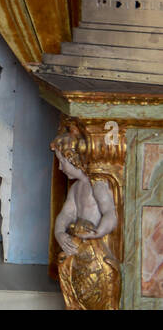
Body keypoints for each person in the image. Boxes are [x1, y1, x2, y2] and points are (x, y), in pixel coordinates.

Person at [52, 128, 121, 309]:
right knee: (68, 269)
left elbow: (110, 214)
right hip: (78, 243)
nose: (60, 167)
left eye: (62, 161)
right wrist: (59, 232)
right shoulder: (76, 188)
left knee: (99, 280)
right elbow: (66, 214)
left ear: (73, 158)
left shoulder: (96, 184)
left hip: (94, 245)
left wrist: (98, 232)